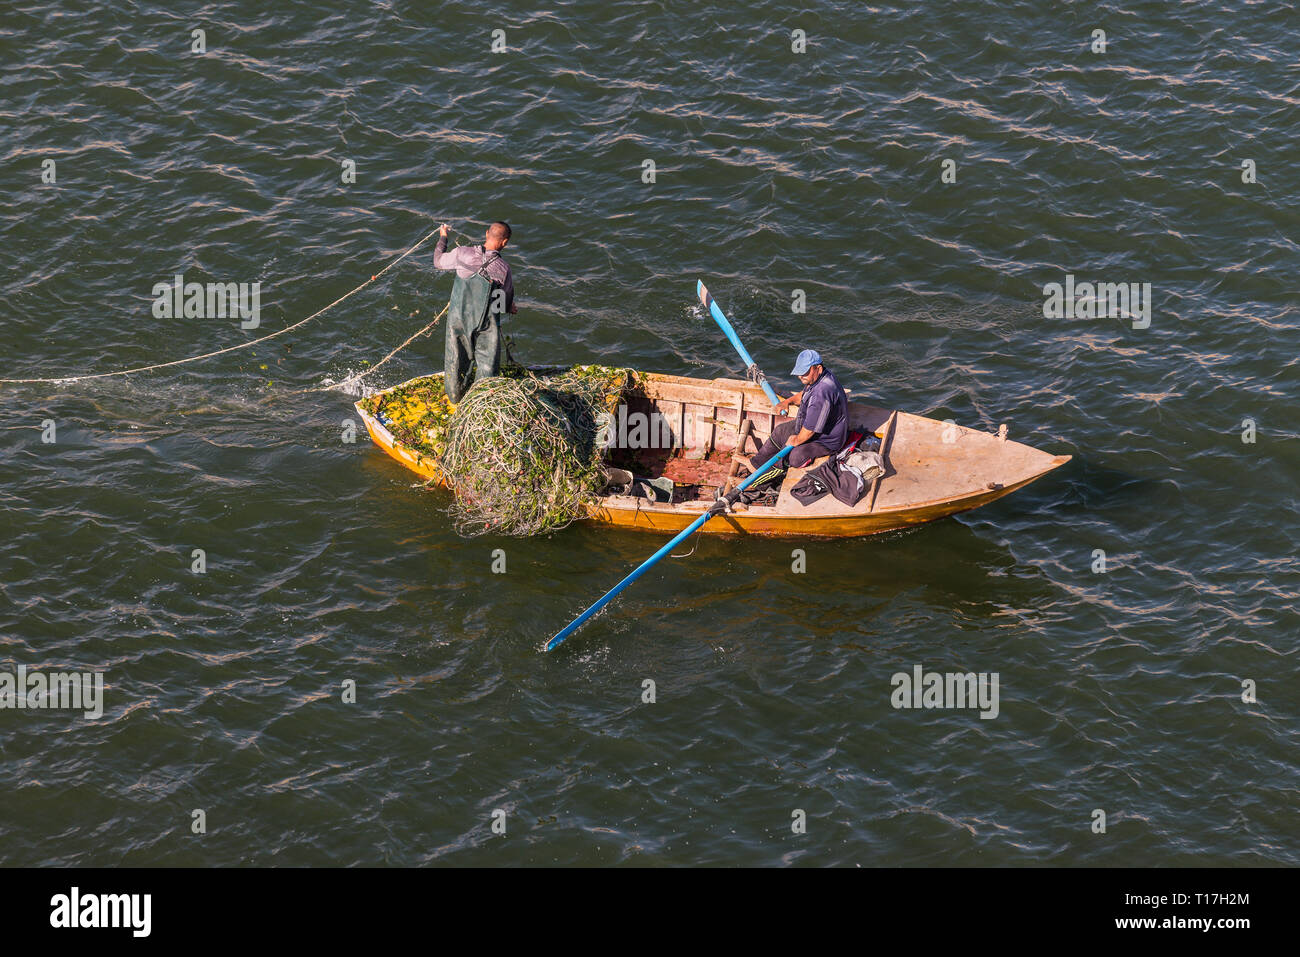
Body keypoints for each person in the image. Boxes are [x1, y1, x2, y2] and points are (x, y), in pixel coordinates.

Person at [432, 221, 517, 402]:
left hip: (458, 319)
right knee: (487, 363)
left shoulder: (462, 253)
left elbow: (438, 261)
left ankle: (455, 396)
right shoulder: (503, 269)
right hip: (486, 324)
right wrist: (511, 306)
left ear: (487, 234)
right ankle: (481, 401)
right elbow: (502, 304)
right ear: (505, 243)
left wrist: (443, 237)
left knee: (455, 358)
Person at [749, 349, 849, 472]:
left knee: (793, 456)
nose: (800, 376)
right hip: (810, 427)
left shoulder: (822, 393)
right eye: (799, 372)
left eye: (805, 372)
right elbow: (805, 393)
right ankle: (756, 465)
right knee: (780, 431)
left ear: (818, 368)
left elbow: (810, 430)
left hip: (826, 441)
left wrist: (796, 440)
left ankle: (761, 482)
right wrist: (787, 401)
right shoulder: (820, 377)